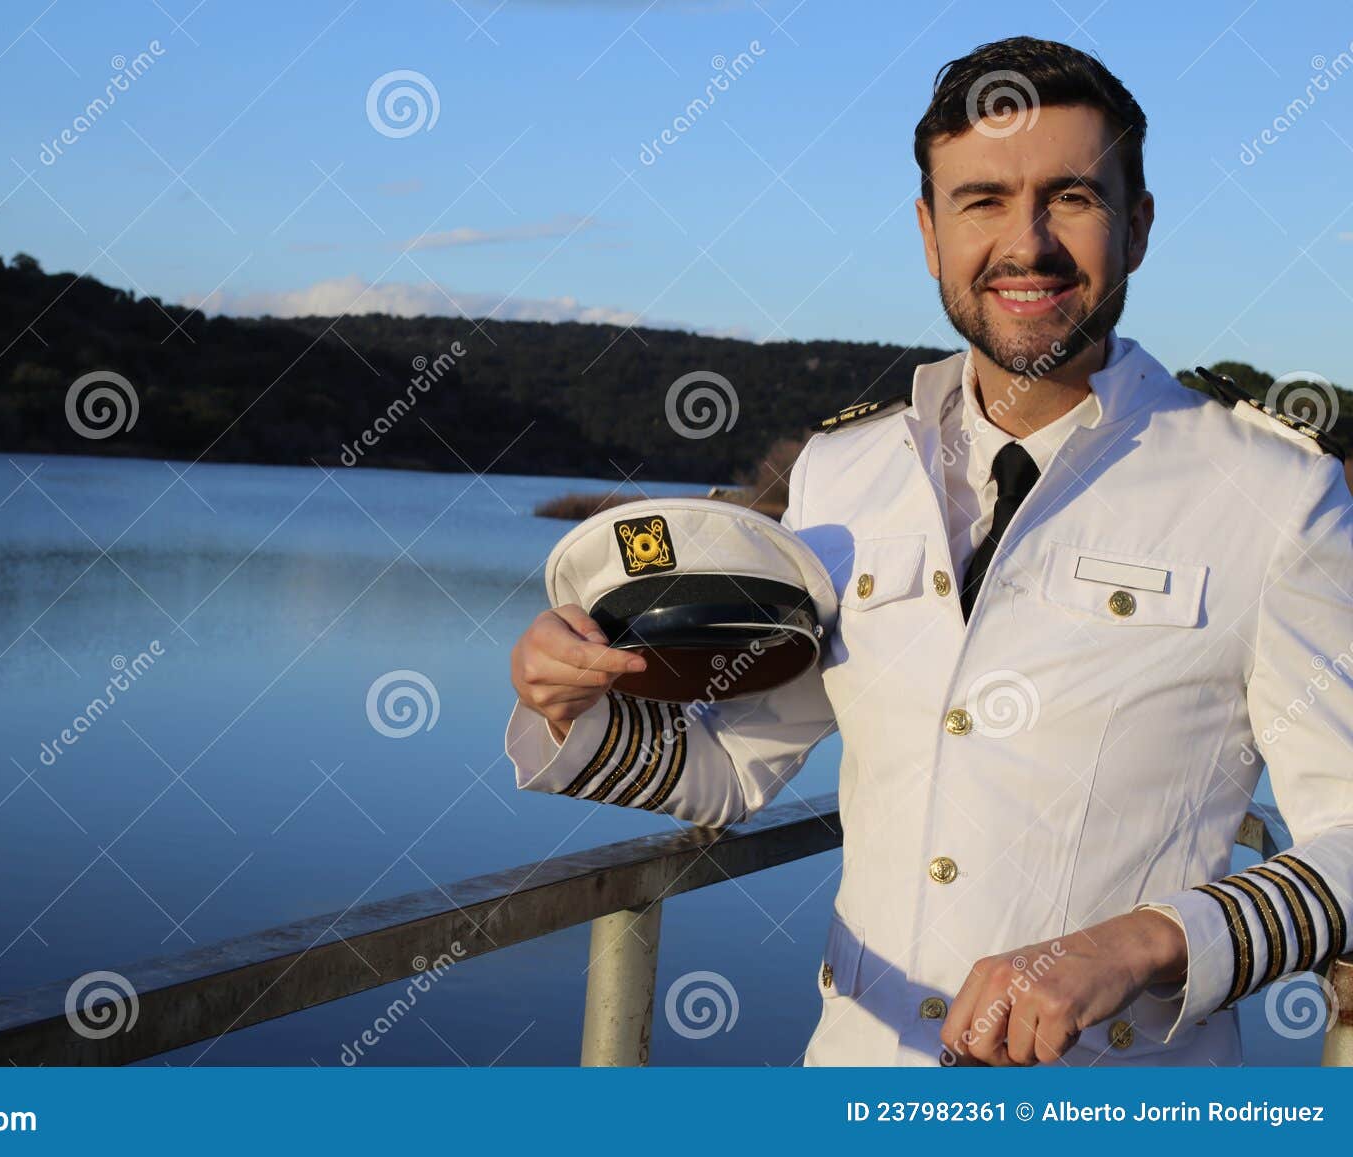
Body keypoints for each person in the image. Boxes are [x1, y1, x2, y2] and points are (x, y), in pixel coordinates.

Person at [504, 35, 1353, 1066]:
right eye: (982, 200)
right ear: (928, 229)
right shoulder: (841, 473)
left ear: (1135, 225)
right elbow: (731, 763)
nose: (1025, 243)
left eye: (1071, 197)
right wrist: (574, 705)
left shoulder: (1271, 494)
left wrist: (1140, 942)